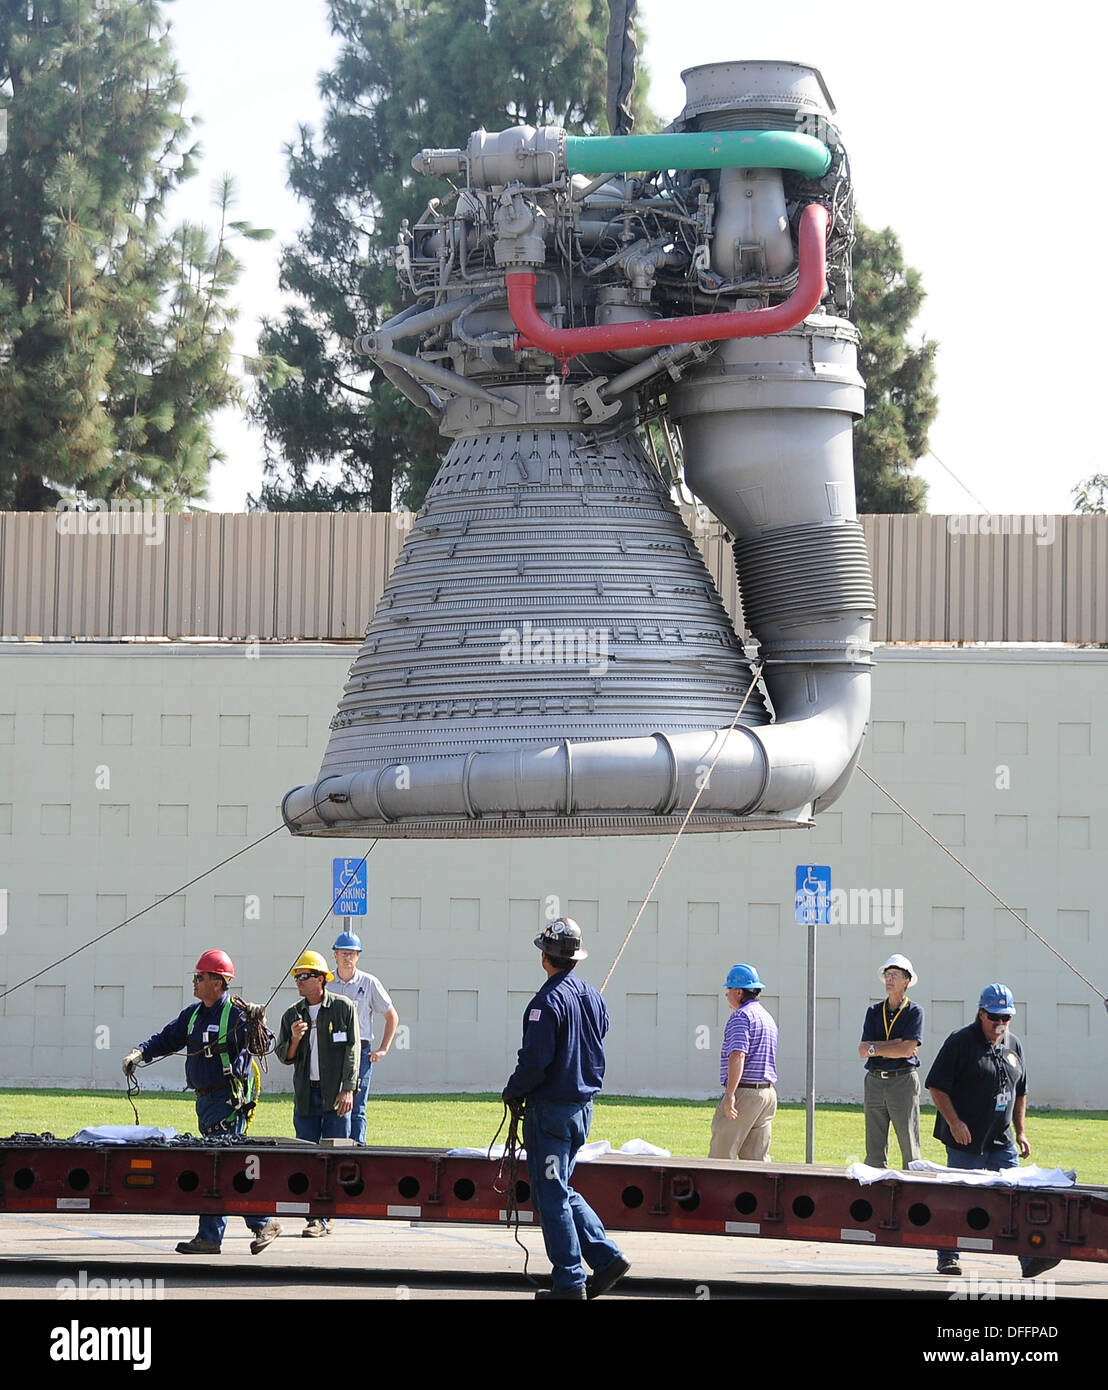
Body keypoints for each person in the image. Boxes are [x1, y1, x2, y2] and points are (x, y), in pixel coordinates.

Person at [502, 917, 630, 1301]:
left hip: (552, 1113)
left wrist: (513, 1091)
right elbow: (598, 1035)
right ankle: (605, 1258)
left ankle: (570, 1282)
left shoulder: (545, 1003)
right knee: (558, 1188)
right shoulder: (593, 996)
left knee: (553, 1195)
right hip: (581, 1110)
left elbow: (536, 1062)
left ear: (545, 957)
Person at [122, 950, 280, 1256]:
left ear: (219, 983)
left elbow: (265, 1044)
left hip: (228, 1102)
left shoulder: (235, 1015)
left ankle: (257, 1223)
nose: (195, 981)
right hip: (205, 1102)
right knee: (218, 1168)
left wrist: (258, 1022)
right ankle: (218, 1234)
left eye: (201, 977)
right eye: (196, 976)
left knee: (220, 1167)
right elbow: (167, 1038)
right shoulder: (193, 1015)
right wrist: (140, 1054)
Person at [925, 983, 1059, 1280]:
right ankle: (948, 1256)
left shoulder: (1014, 1044)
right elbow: (936, 1086)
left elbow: (1020, 1091)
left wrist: (1021, 1131)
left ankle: (1029, 1258)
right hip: (966, 1141)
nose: (1000, 1024)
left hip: (1001, 1139)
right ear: (981, 1013)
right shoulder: (960, 1042)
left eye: (1006, 1018)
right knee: (960, 1199)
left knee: (1014, 1197)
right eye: (994, 1017)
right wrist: (954, 1122)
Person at [275, 950, 359, 1237]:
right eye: (297, 977)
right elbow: (284, 1057)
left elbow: (352, 1050)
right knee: (308, 1156)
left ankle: (327, 1215)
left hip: (335, 1094)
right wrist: (296, 1039)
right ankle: (314, 1217)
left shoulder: (343, 1008)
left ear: (321, 979)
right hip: (306, 1095)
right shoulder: (292, 1014)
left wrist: (348, 1088)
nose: (299, 981)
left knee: (334, 1155)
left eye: (305, 976)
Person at [327, 930, 399, 1145]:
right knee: (333, 1103)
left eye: (352, 953)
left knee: (357, 1105)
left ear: (358, 956)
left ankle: (359, 1148)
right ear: (335, 955)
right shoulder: (327, 982)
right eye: (343, 953)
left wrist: (383, 1049)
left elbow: (391, 1016)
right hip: (333, 1049)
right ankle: (337, 1146)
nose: (347, 958)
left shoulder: (368, 983)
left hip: (361, 1049)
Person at [858, 953, 924, 1169]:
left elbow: (907, 1049)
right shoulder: (874, 1011)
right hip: (875, 1080)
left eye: (894, 975)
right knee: (874, 1149)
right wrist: (893, 1045)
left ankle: (914, 1191)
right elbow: (862, 1050)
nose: (889, 979)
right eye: (887, 974)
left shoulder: (914, 1012)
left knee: (909, 1146)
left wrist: (876, 1048)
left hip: (902, 1081)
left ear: (907, 980)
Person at [709, 963, 778, 1161]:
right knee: (756, 1159)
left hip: (745, 1093)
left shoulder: (741, 1017)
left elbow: (738, 1055)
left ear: (739, 992)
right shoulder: (767, 1017)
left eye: (728, 989)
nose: (726, 994)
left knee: (721, 1154)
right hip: (767, 1094)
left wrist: (730, 1094)